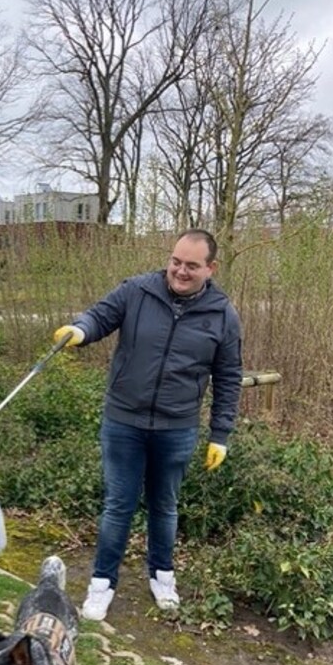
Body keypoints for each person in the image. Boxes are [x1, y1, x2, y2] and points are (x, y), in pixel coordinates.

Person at [53, 229, 242, 622]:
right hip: (124, 421)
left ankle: (162, 575)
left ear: (211, 268)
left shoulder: (222, 314)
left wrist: (220, 434)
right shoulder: (137, 290)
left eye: (192, 265)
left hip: (177, 428)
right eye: (176, 261)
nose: (180, 271)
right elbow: (101, 315)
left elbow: (228, 375)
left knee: (165, 506)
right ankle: (102, 584)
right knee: (118, 505)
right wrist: (79, 330)